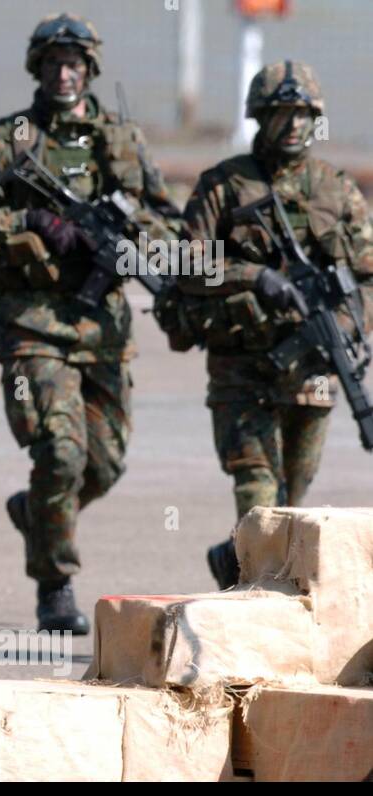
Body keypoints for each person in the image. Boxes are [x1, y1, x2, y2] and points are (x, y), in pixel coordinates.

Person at [0, 14, 181, 633]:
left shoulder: (122, 140)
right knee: (60, 451)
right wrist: (31, 226)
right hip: (33, 325)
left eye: (74, 62)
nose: (64, 72)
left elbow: (169, 220)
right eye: (53, 61)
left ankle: (38, 513)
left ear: (91, 69)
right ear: (38, 67)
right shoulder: (8, 139)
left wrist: (132, 238)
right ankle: (55, 584)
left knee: (102, 464)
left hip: (103, 330)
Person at [178, 61, 373, 589]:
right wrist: (254, 276)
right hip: (241, 366)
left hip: (311, 371)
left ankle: (233, 557)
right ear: (260, 116)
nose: (293, 125)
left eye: (304, 114)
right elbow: (185, 265)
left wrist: (344, 324)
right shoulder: (223, 186)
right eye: (282, 113)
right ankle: (254, 608)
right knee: (258, 490)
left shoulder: (336, 191)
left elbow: (368, 276)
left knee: (292, 498)